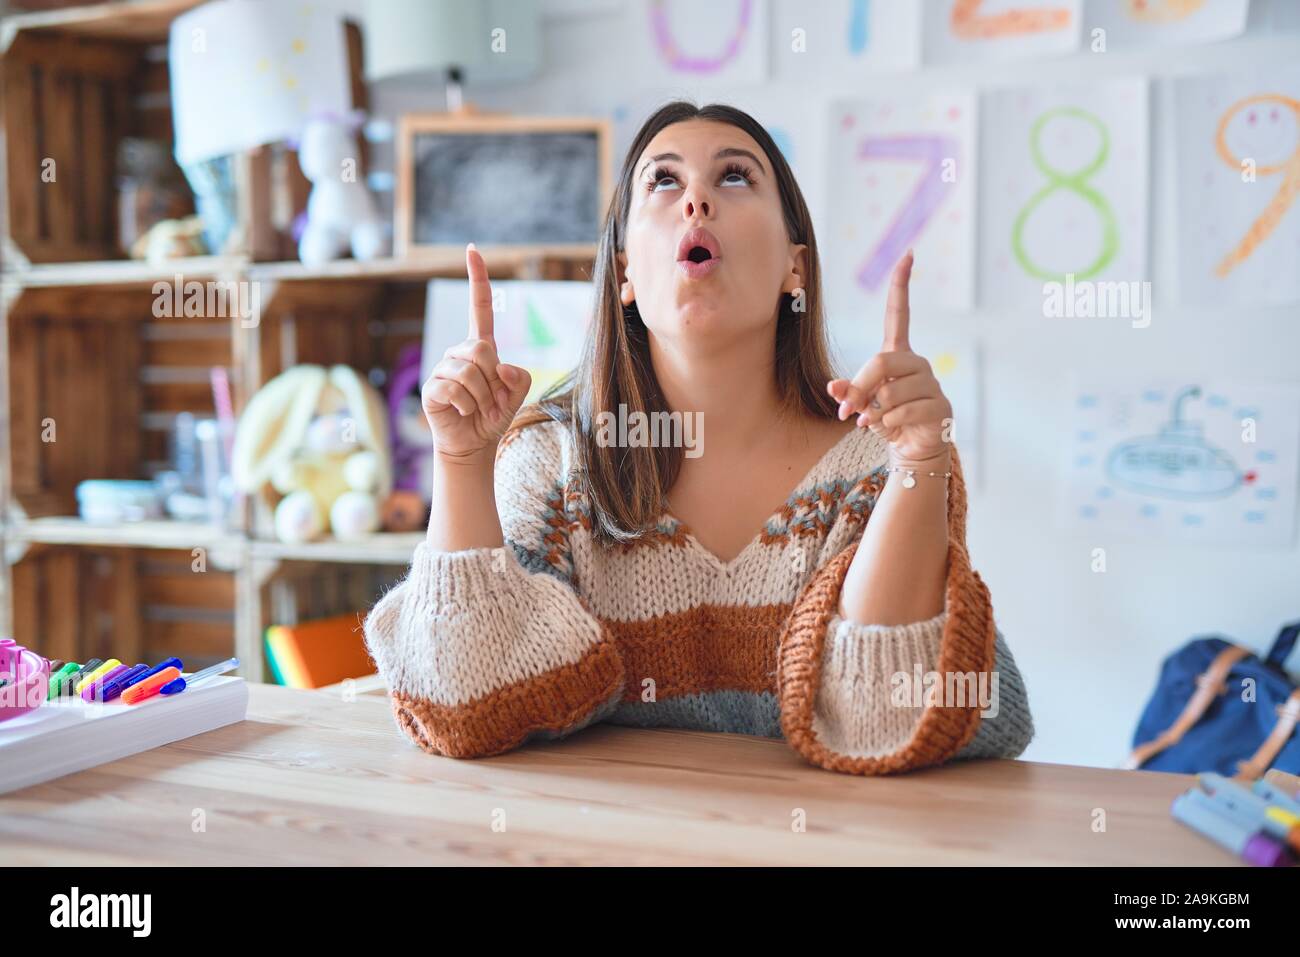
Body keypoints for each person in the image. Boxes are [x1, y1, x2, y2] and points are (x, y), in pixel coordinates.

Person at [363, 101, 1034, 774]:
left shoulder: (874, 465)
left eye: (735, 176)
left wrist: (919, 462)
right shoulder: (551, 464)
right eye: (664, 181)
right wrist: (460, 459)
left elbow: (881, 721)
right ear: (623, 274)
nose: (697, 201)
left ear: (795, 267)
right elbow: (468, 704)